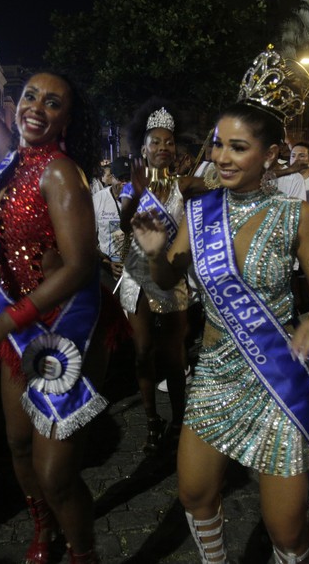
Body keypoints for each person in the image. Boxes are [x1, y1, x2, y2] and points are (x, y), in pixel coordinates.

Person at [0, 24, 118, 563]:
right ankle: (44, 530)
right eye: (30, 95)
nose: (36, 107)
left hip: (63, 332)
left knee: (57, 472)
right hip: (19, 330)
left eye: (52, 103)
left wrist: (4, 323)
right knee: (15, 445)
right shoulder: (11, 158)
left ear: (67, 119)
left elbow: (81, 267)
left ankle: (83, 553)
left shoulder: (59, 173)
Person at [130, 64, 309, 563]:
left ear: (270, 156)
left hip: (277, 375)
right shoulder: (199, 212)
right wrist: (157, 252)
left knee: (286, 529)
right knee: (196, 494)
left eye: (238, 147)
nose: (221, 157)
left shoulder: (297, 214)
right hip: (214, 374)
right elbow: (166, 281)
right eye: (218, 144)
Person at [119, 100, 199, 453]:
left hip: (170, 278)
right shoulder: (131, 188)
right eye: (156, 142)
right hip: (138, 276)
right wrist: (136, 195)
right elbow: (125, 224)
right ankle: (152, 419)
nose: (163, 147)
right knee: (142, 353)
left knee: (174, 356)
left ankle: (180, 419)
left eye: (168, 142)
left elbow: (217, 188)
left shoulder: (185, 185)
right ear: (143, 147)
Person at [93, 156, 130, 287]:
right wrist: (107, 263)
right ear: (112, 178)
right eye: (121, 179)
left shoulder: (141, 199)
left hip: (133, 272)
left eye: (128, 179)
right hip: (107, 272)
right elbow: (89, 240)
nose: (125, 184)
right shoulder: (98, 200)